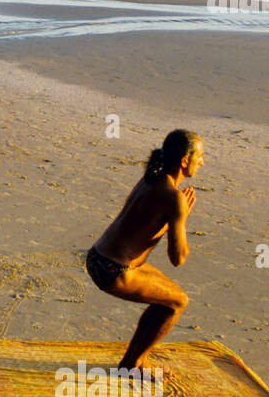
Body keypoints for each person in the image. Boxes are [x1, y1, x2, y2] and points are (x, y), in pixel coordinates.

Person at [86, 129, 204, 371]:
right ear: (184, 161)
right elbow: (178, 258)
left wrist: (175, 216)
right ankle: (133, 365)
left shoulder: (152, 178)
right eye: (199, 157)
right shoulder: (173, 197)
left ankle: (133, 361)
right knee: (178, 301)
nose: (202, 162)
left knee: (168, 298)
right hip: (113, 270)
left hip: (97, 256)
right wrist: (180, 218)